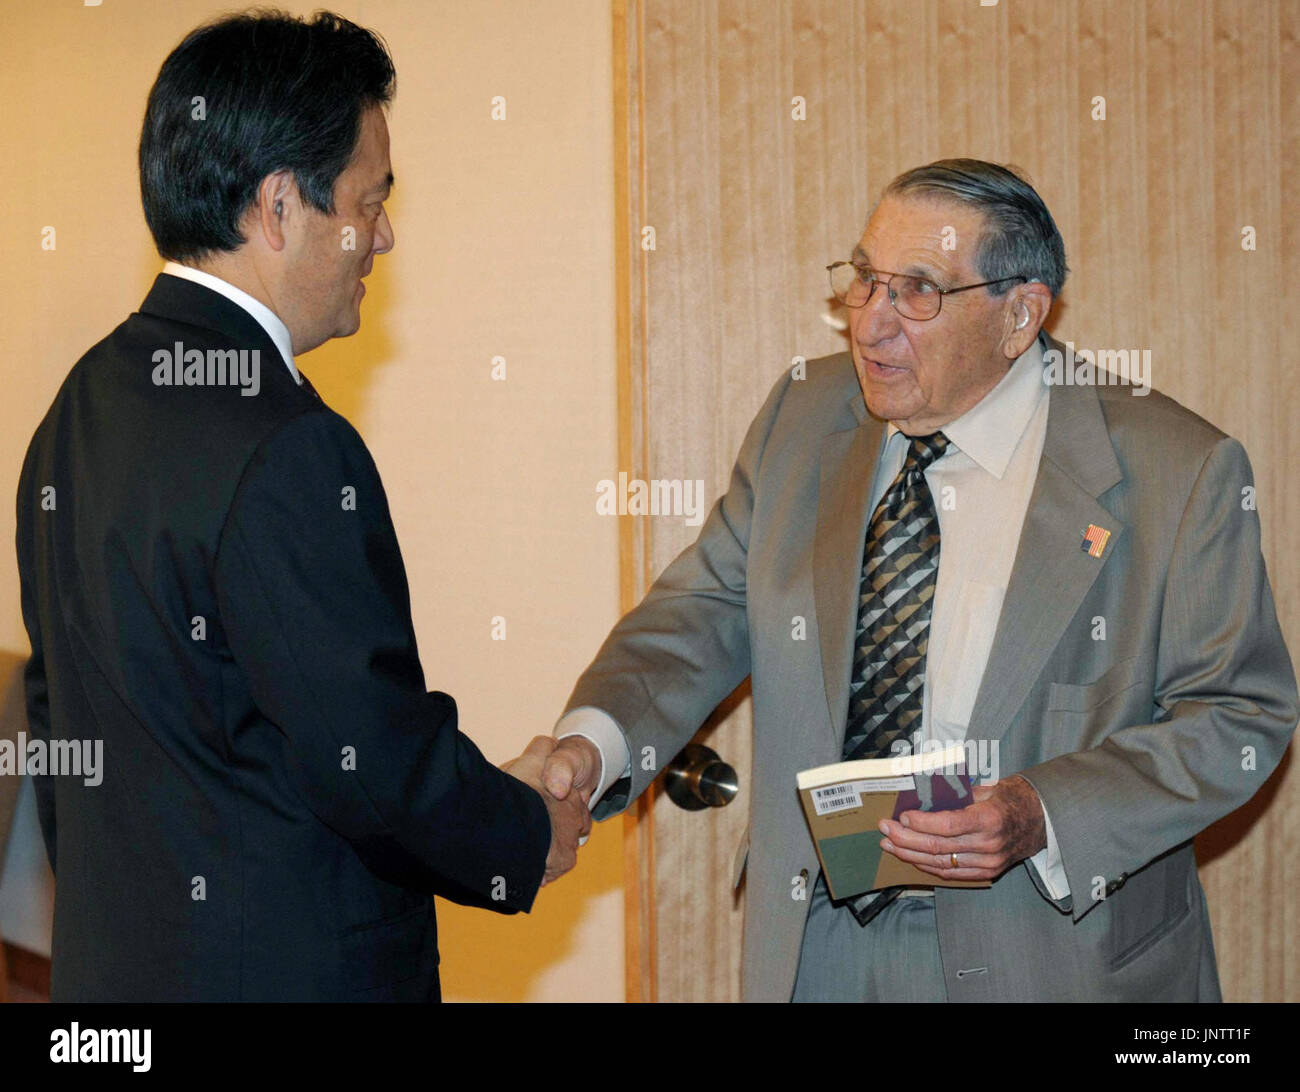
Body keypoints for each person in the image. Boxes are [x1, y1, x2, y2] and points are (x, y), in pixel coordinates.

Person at [541, 159, 1298, 1002]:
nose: (870, 325)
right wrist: (593, 744)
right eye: (864, 280)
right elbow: (701, 612)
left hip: (1053, 952)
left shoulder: (1177, 468)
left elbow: (1241, 713)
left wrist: (1044, 811)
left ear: (1021, 314)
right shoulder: (802, 416)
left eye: (919, 291)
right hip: (819, 944)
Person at [15, 9, 586, 1002]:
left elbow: (61, 720)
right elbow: (366, 762)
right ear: (281, 208)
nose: (385, 234)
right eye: (369, 200)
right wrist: (523, 828)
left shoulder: (80, 402)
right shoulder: (284, 442)